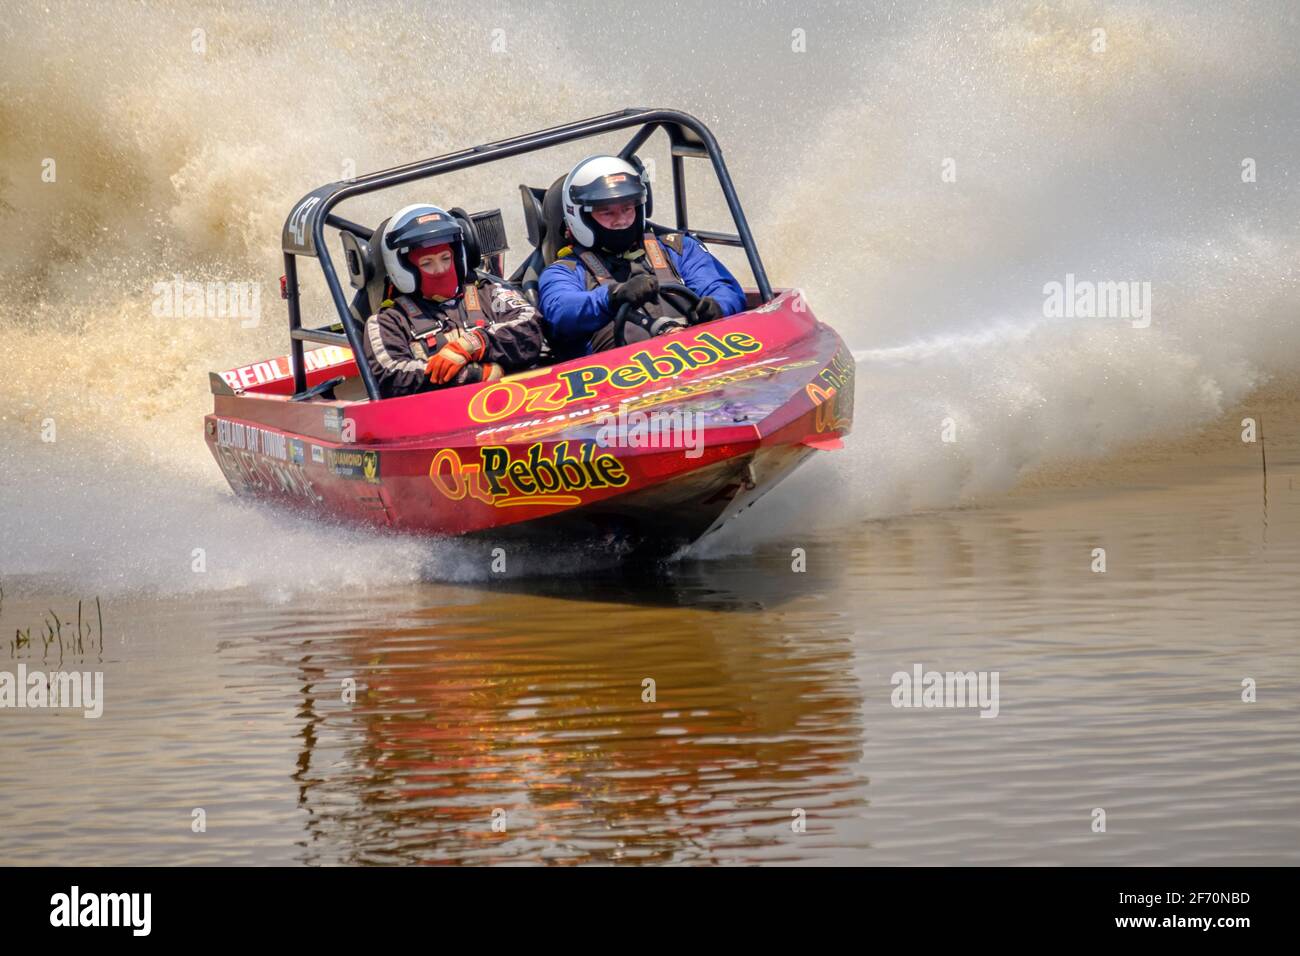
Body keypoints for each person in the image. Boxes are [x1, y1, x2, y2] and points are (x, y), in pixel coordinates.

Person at [538, 155, 747, 357]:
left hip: (701, 361)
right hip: (622, 380)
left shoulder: (679, 248)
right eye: (607, 213)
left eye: (627, 209)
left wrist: (719, 307)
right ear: (580, 216)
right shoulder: (564, 271)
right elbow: (560, 310)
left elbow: (722, 288)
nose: (621, 221)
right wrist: (612, 297)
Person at [362, 203, 544, 399]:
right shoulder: (388, 322)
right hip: (442, 418)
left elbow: (531, 327)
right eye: (427, 263)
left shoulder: (489, 294)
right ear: (404, 268)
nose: (440, 269)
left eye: (445, 258)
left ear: (458, 257)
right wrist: (470, 376)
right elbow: (392, 378)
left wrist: (474, 343)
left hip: (519, 403)